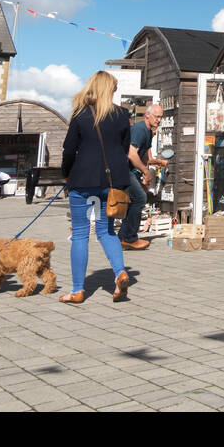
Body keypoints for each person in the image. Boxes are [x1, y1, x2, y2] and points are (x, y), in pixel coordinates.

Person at [59, 71, 132, 303]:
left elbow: (69, 149)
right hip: (109, 185)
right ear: (110, 90)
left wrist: (66, 174)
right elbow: (124, 148)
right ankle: (120, 273)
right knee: (106, 231)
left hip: (83, 182)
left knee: (80, 234)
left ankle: (78, 290)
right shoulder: (122, 115)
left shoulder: (80, 114)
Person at [121, 103, 164, 249]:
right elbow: (132, 154)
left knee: (135, 200)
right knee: (140, 198)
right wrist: (145, 172)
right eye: (156, 116)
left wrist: (145, 175)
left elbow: (145, 156)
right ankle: (130, 237)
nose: (159, 120)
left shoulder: (148, 132)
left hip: (132, 171)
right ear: (147, 115)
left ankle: (123, 236)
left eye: (161, 117)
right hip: (124, 169)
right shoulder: (139, 130)